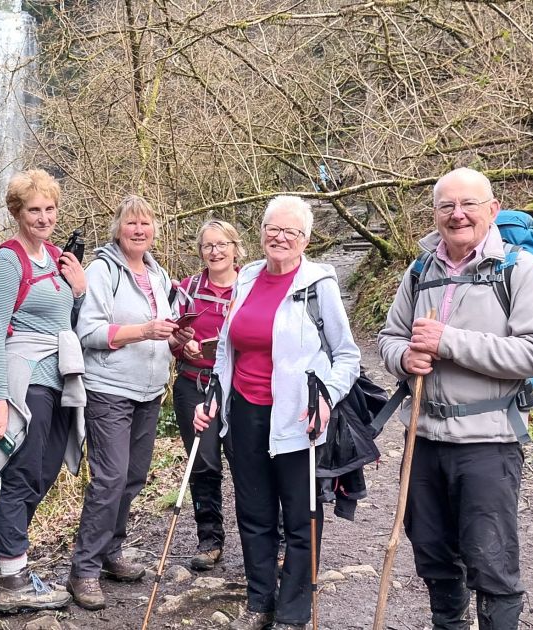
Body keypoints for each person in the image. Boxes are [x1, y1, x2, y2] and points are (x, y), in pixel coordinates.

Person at [377, 168, 533, 630]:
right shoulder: (420, 270)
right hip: (423, 437)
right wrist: (403, 359)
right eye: (446, 206)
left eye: (469, 204)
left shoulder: (519, 269)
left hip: (489, 440)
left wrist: (447, 342)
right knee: (433, 553)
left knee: (491, 561)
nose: (457, 215)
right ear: (435, 213)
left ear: (492, 210)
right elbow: (390, 338)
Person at [194, 196, 361, 630]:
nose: (280, 237)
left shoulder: (318, 284)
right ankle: (258, 600)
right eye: (273, 228)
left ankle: (292, 612)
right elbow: (227, 352)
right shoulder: (247, 278)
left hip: (298, 417)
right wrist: (215, 393)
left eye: (291, 231)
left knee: (301, 515)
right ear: (262, 232)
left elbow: (347, 356)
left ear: (305, 239)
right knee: (253, 512)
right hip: (245, 414)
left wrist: (326, 397)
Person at [0, 169, 87, 613]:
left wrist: (80, 290)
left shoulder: (55, 257)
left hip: (58, 378)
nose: (44, 217)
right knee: (22, 472)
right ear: (17, 212)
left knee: (45, 471)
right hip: (23, 379)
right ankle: (13, 579)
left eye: (49, 209)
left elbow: (64, 320)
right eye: (34, 210)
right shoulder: (10, 260)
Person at [67, 195, 193, 609]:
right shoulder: (102, 271)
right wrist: (143, 330)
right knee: (110, 479)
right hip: (109, 391)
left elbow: (163, 331)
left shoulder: (158, 275)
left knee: (134, 477)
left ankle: (110, 552)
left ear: (154, 229)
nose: (139, 230)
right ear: (118, 229)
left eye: (146, 223)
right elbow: (91, 333)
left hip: (149, 391)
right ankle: (83, 570)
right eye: (130, 223)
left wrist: (178, 339)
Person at [169, 219, 244, 571]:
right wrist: (181, 343)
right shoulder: (186, 289)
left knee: (249, 463)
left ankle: (264, 540)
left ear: (235, 247)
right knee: (204, 463)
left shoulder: (250, 286)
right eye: (208, 246)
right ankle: (209, 540)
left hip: (240, 386)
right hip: (193, 382)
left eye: (222, 244)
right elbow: (169, 339)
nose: (215, 251)